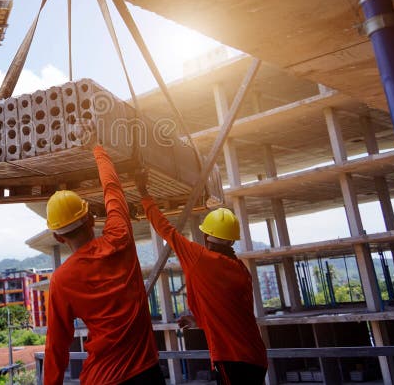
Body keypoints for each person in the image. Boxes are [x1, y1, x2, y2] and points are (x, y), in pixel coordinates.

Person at [43, 143, 164, 385]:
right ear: (90, 219)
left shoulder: (62, 280)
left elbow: (56, 345)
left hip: (102, 378)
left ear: (57, 236)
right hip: (147, 373)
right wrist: (97, 147)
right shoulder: (120, 237)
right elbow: (112, 188)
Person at [135, 169, 268, 385]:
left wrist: (143, 192)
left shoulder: (200, 258)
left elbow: (165, 229)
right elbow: (231, 315)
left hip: (232, 358)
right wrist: (199, 320)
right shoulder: (241, 270)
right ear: (232, 241)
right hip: (255, 356)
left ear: (206, 236)